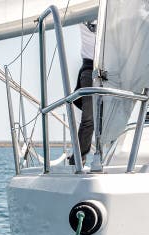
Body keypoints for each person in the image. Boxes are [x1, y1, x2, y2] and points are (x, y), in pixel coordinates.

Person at [69, 21, 96, 166]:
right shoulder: (86, 17)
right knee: (89, 118)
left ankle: (109, 156)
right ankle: (78, 161)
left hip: (113, 69)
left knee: (111, 114)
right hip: (90, 68)